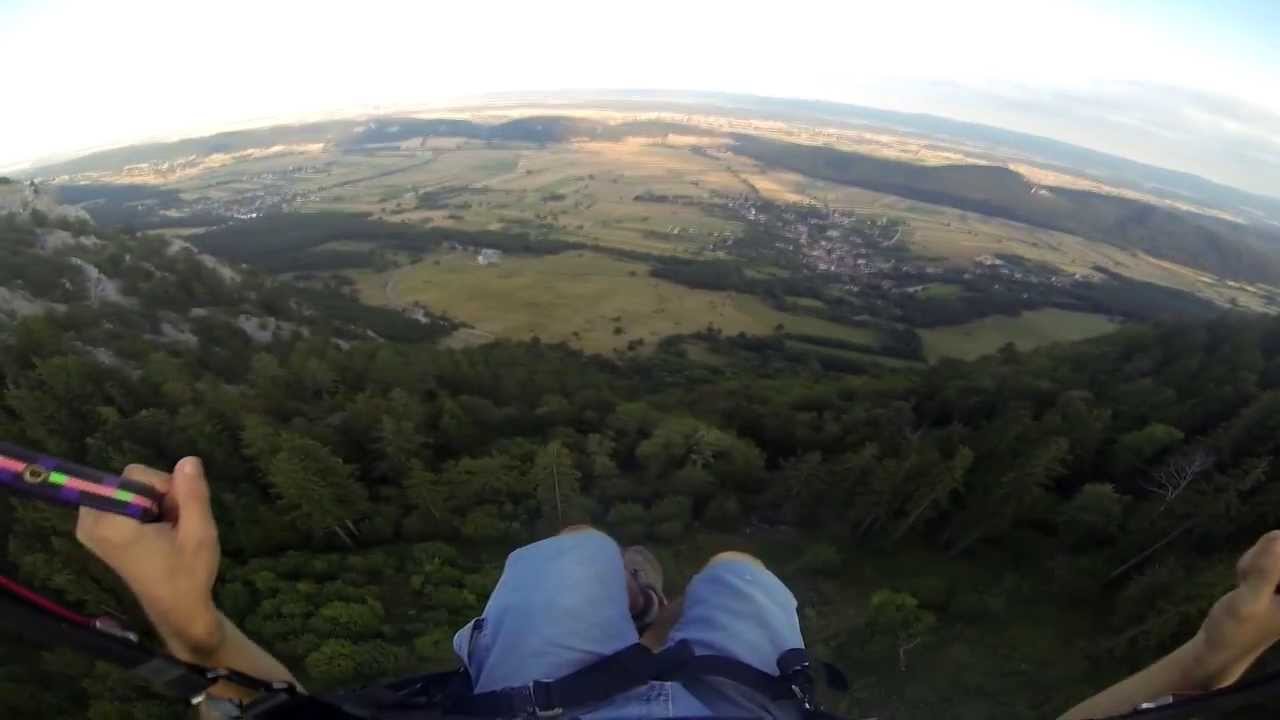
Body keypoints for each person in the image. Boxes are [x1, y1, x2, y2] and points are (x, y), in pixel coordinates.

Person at [76, 457, 1280, 719]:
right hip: (737, 709)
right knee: (733, 570)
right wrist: (1206, 665)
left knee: (581, 550)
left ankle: (628, 602)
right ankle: (645, 610)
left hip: (551, 706)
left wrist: (189, 624)